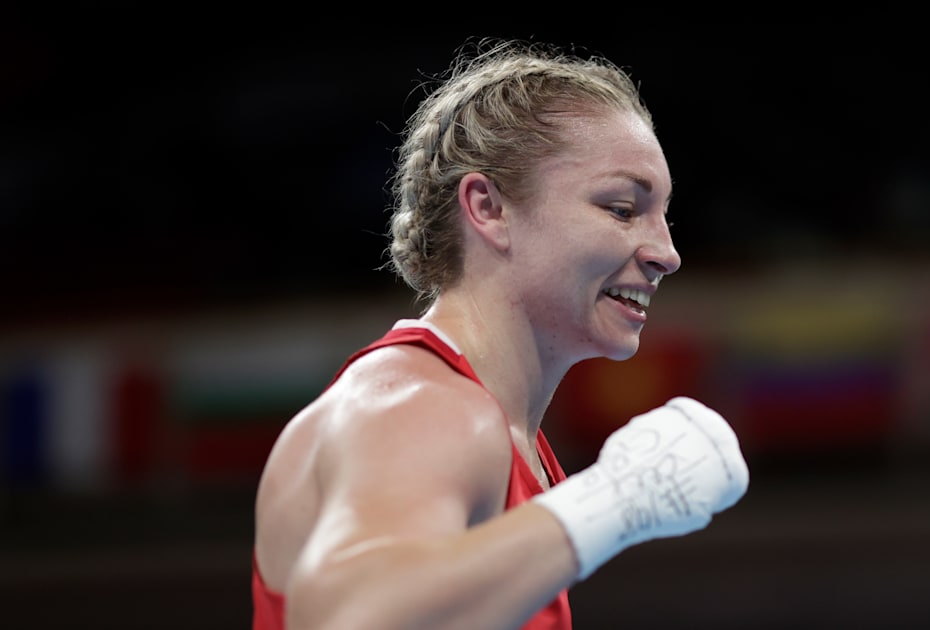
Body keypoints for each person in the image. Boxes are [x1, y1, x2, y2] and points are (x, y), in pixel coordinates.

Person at [250, 37, 750, 630]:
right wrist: (618, 499)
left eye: (664, 215)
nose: (666, 253)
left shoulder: (503, 434)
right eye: (621, 208)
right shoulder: (423, 408)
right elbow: (352, 618)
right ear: (488, 208)